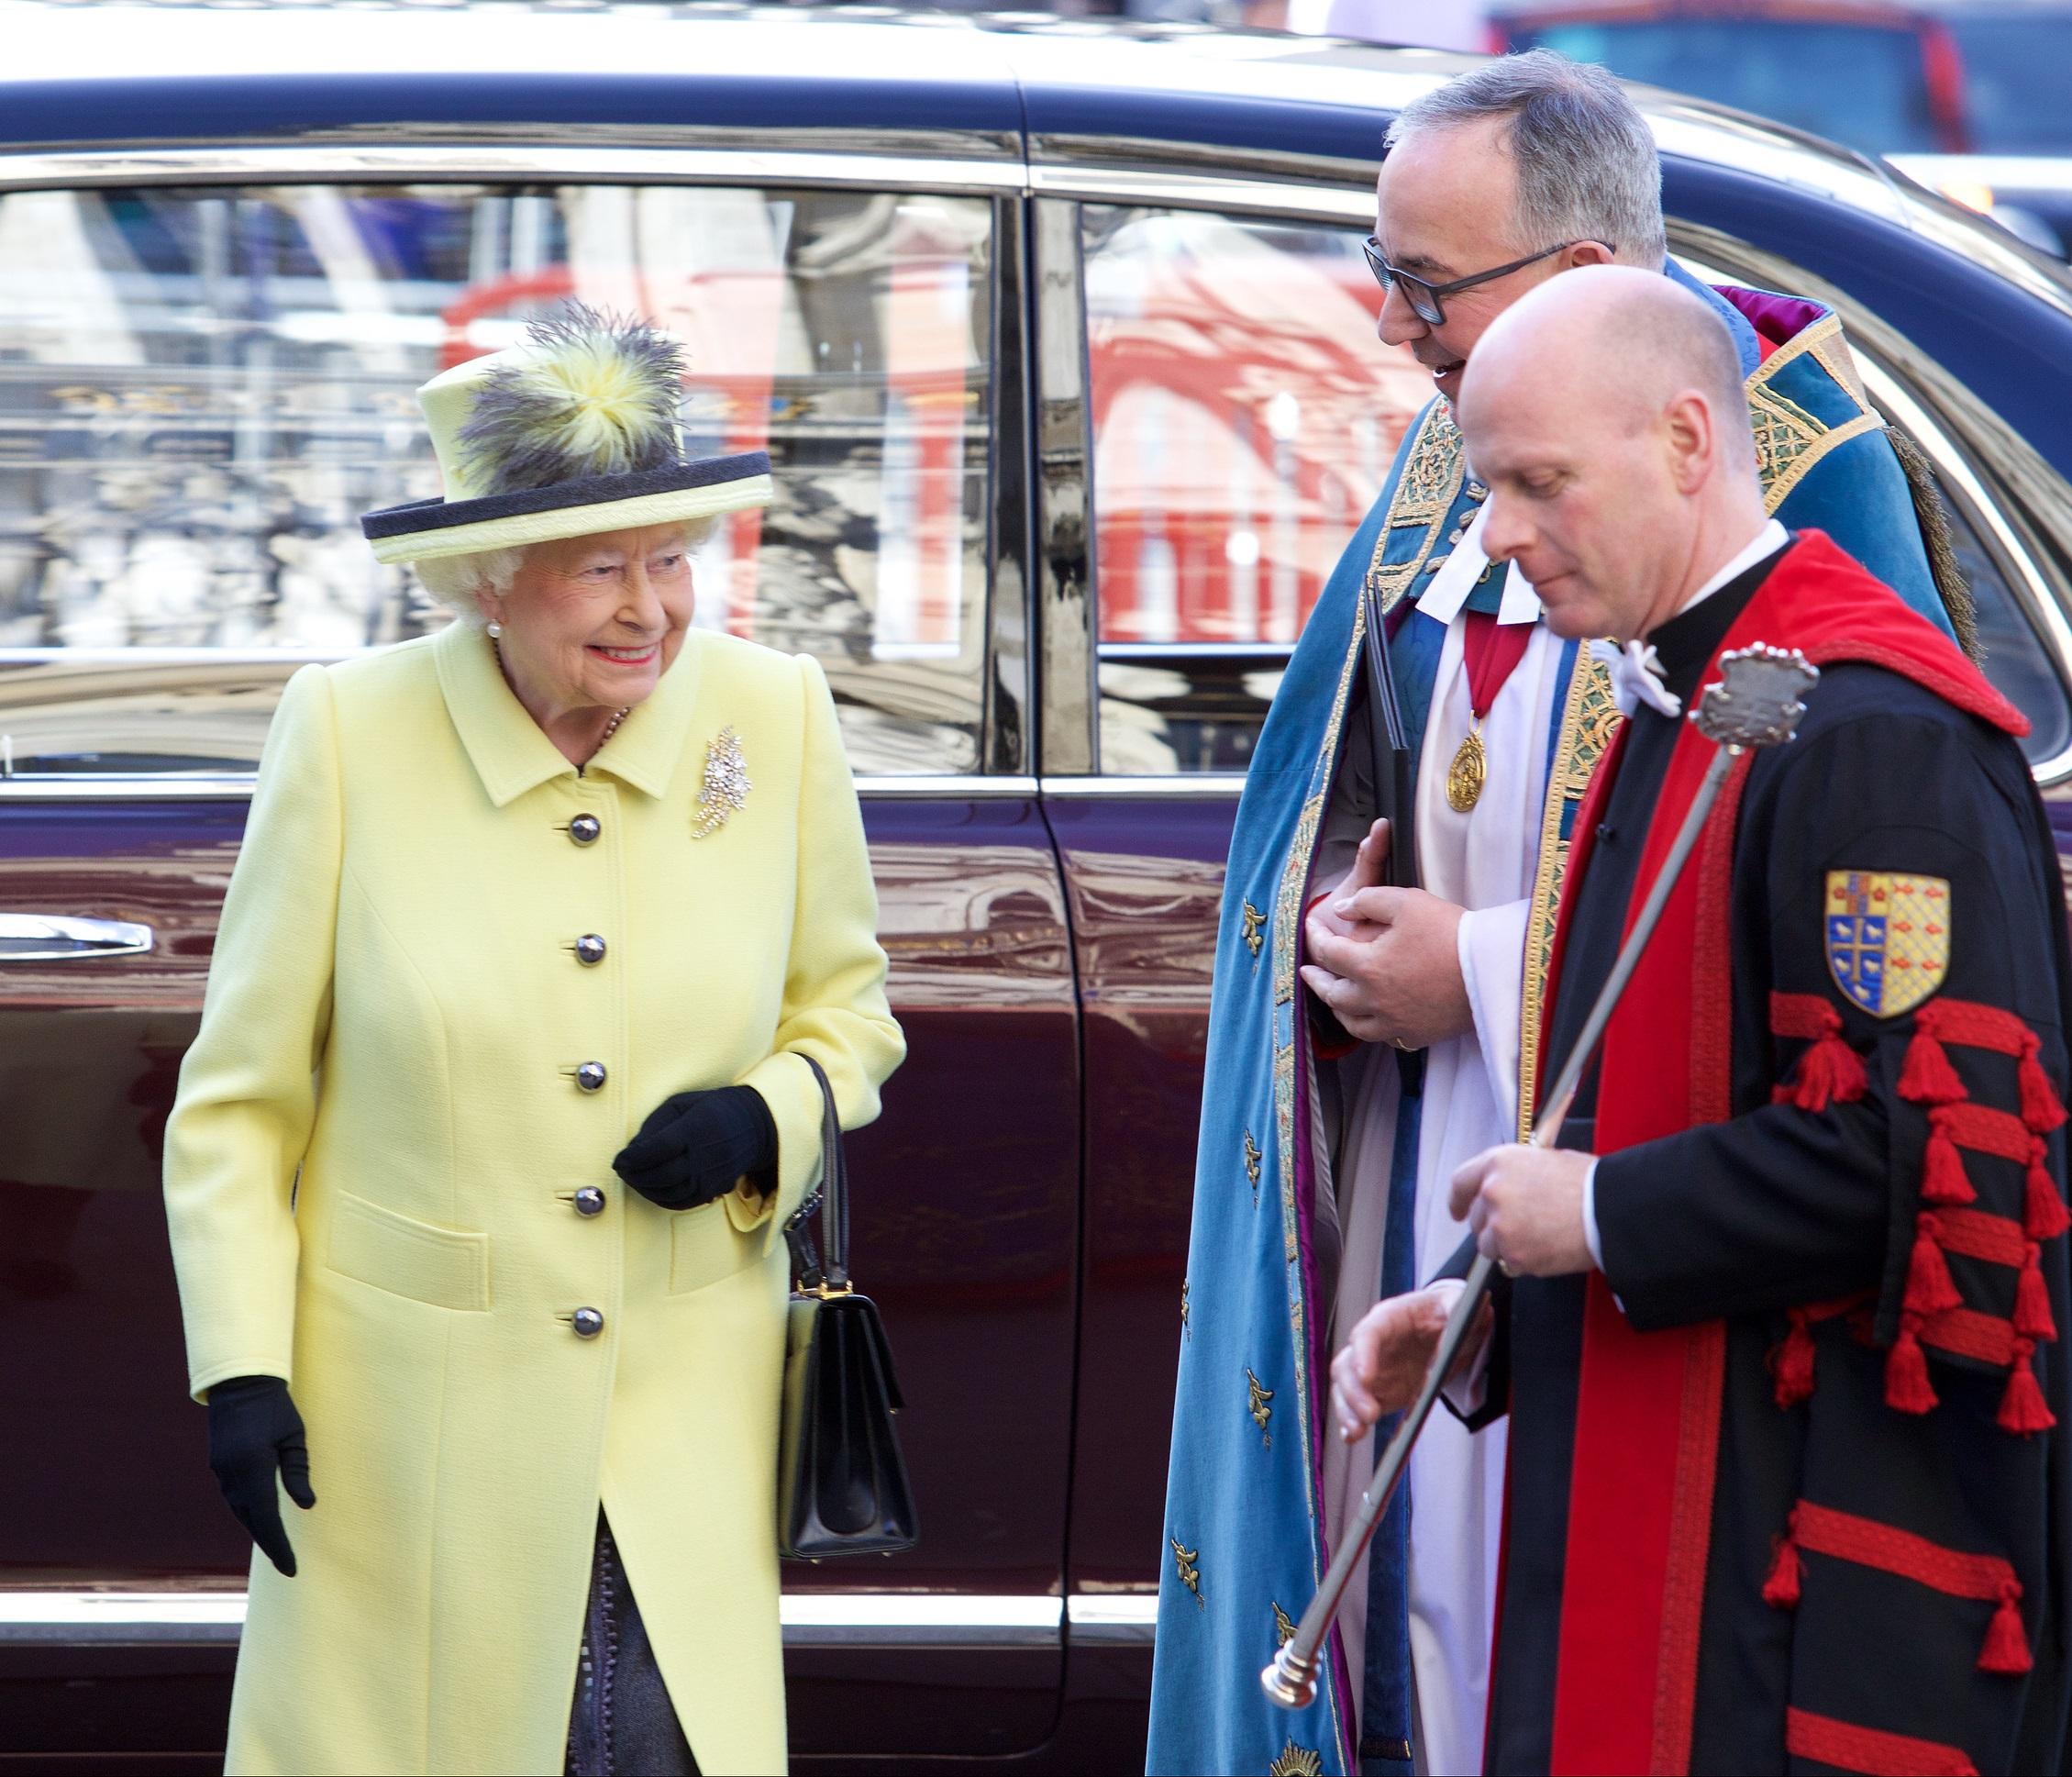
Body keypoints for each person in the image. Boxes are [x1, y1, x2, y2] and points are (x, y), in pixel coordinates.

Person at [1149, 49, 1978, 1777]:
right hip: (1431, 1151)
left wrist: (1476, 965)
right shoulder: (1469, 438)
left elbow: (1775, 899)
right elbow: (1349, 761)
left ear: (1585, 276)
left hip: (1635, 1166)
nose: (1395, 326)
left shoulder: (1788, 478)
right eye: (1383, 273)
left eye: (1426, 282)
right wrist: (1336, 924)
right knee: (1411, 1609)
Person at [1332, 264, 2072, 1774]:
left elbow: (1930, 1171)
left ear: (1684, 440)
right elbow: (1660, 1093)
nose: (1497, 535)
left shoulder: (1877, 741)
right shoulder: (1681, 703)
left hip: (1799, 1567)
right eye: (1486, 485)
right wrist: (1481, 1309)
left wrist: (1596, 1213)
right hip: (1665, 1503)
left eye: (1540, 483)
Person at [161, 305, 906, 1776]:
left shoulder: (773, 714)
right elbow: (241, 1103)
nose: (651, 609)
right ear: (488, 582)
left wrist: (768, 1114)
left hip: (688, 1401)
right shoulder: (348, 733)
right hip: (408, 1422)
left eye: (670, 557)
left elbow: (849, 1013)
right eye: (600, 567)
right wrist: (241, 1364)